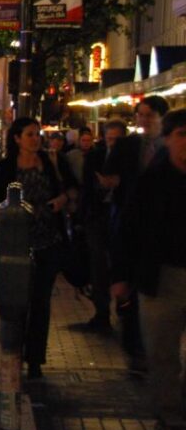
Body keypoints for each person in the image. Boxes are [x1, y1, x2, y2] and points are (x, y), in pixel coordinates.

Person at [110, 108, 186, 430]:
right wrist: (121, 276)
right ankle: (171, 419)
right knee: (162, 353)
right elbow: (128, 230)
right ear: (167, 140)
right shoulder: (152, 181)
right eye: (181, 135)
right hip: (161, 278)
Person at [0, 117, 78, 380]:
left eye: (37, 134)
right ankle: (13, 353)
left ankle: (35, 359)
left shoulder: (50, 162)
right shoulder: (6, 167)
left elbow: (71, 189)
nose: (35, 139)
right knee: (16, 302)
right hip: (16, 245)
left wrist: (62, 199)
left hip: (48, 241)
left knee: (41, 301)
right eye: (30, 134)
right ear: (17, 138)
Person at [102, 95, 170, 372]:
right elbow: (108, 175)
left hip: (163, 230)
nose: (143, 120)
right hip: (130, 222)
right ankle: (134, 346)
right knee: (130, 288)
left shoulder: (171, 146)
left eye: (149, 115)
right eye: (140, 115)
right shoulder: (128, 145)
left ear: (161, 117)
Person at [78, 120, 127, 331]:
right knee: (98, 265)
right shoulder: (95, 157)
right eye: (109, 139)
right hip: (98, 216)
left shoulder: (131, 159)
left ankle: (124, 311)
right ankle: (101, 313)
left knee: (121, 264)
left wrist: (119, 184)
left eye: (117, 140)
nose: (112, 143)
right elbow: (86, 188)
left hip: (122, 217)